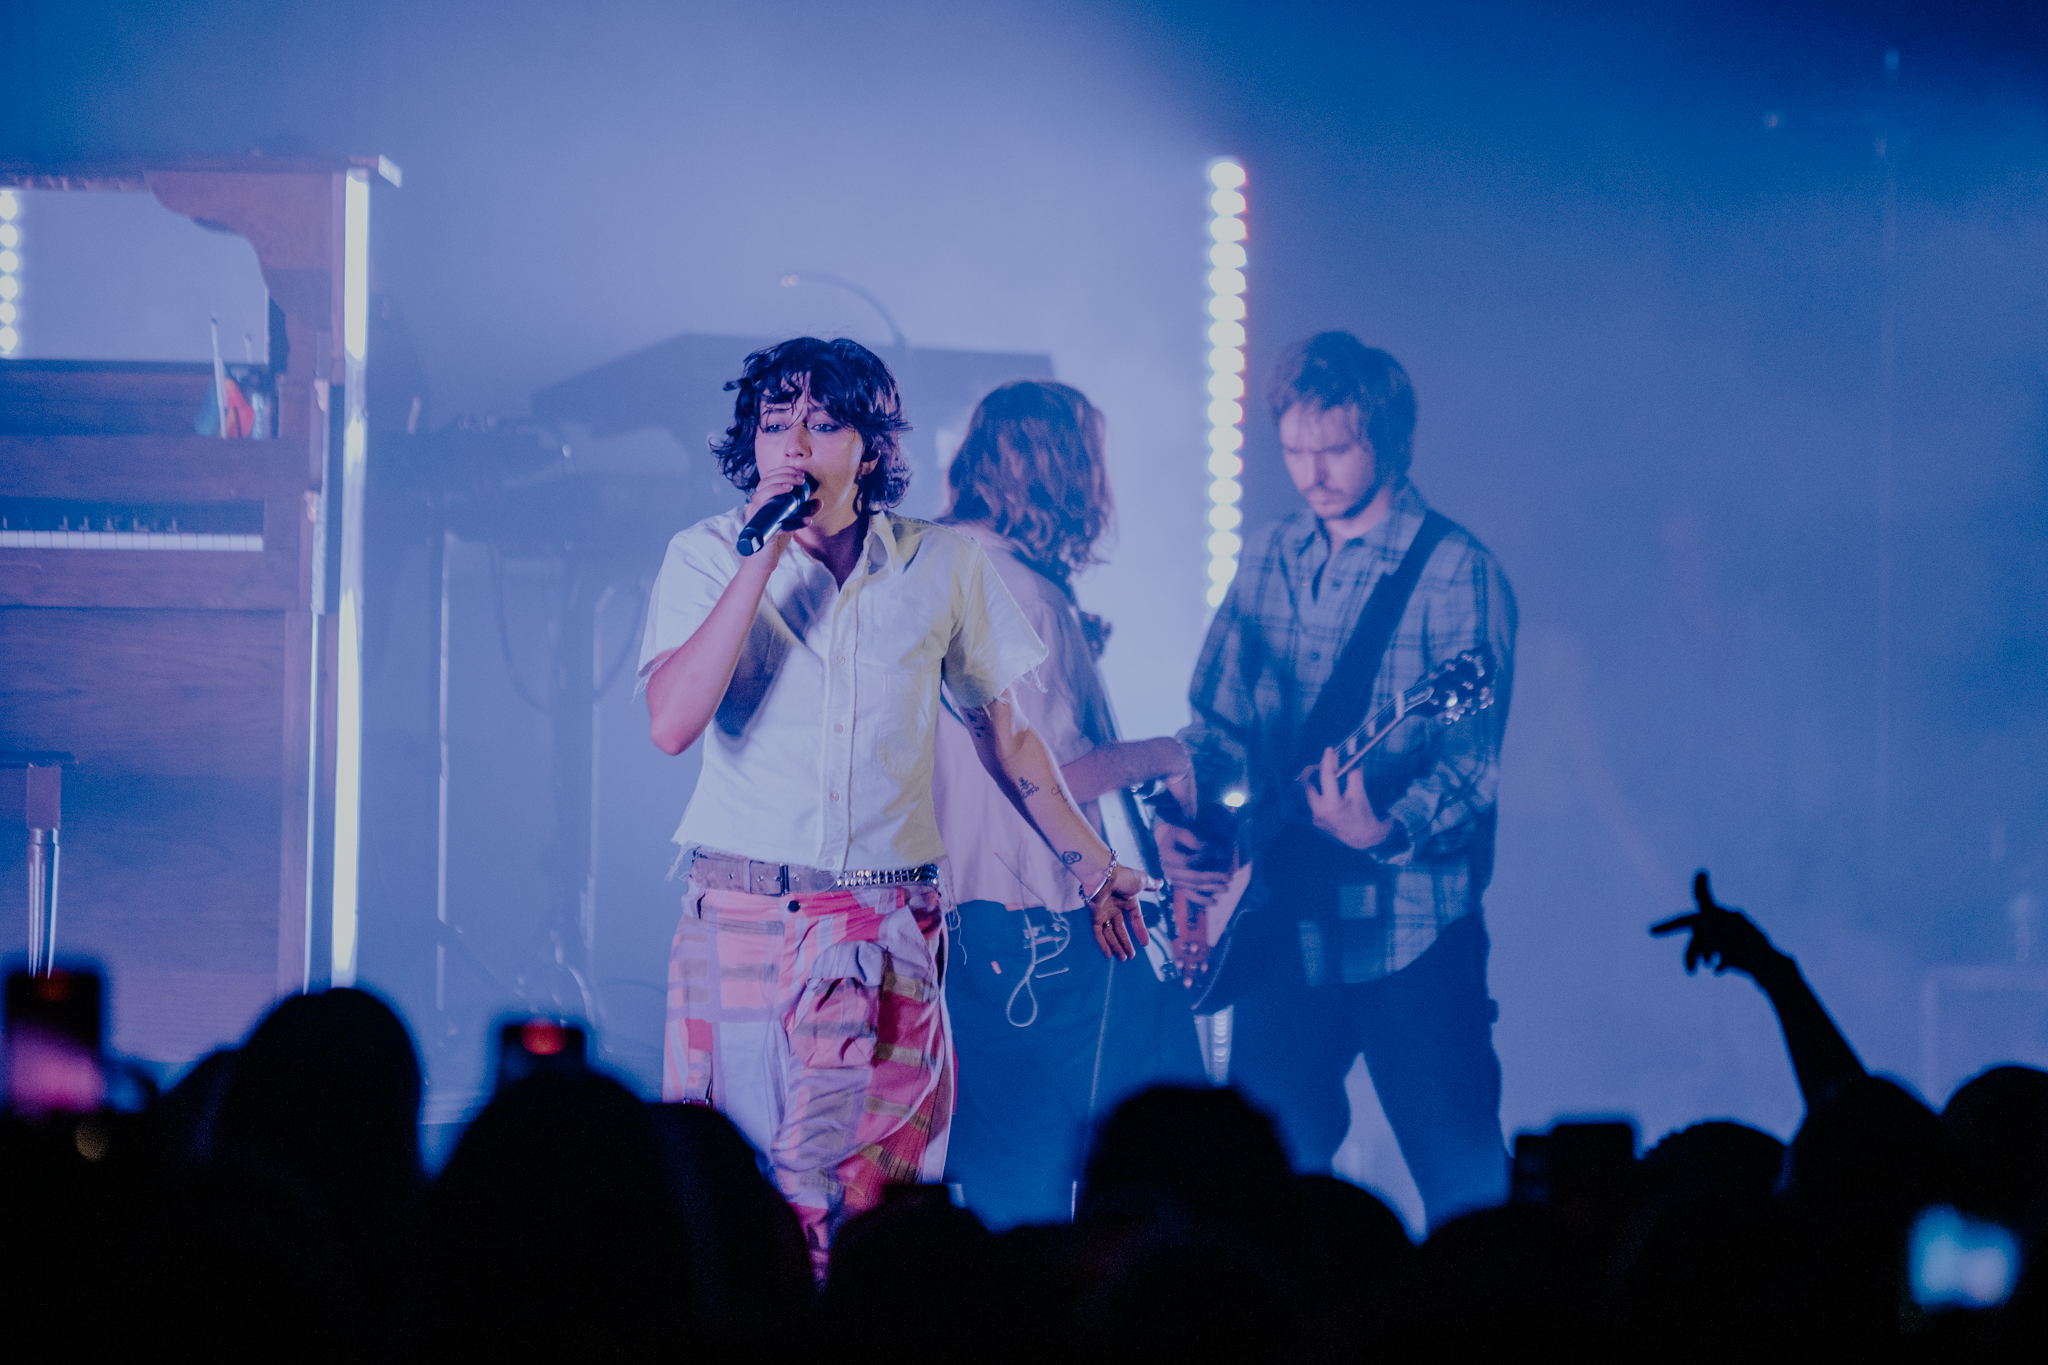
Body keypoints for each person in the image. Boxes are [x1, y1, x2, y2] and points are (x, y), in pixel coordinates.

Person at [638, 338, 1146, 1272]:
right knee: (734, 1205)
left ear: (869, 446)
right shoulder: (706, 555)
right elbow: (671, 721)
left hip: (882, 924)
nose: (794, 444)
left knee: (858, 1206)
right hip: (740, 920)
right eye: (775, 422)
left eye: (822, 422)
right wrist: (759, 560)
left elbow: (1010, 739)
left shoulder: (941, 564)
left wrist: (1093, 863)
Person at [1160, 331, 1516, 1228]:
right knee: (1253, 1192)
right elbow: (1216, 721)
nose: (1312, 472)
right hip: (1279, 920)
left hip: (1409, 935)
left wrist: (1383, 830)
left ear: (1388, 440)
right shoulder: (1268, 554)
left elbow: (1470, 769)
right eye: (1294, 449)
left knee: (1466, 1185)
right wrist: (1190, 815)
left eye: (1336, 448)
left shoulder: (1456, 572)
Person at [930, 381, 1208, 1227]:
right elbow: (1058, 774)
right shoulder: (1031, 595)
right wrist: (1166, 754)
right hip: (1048, 927)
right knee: (1170, 1155)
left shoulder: (928, 572)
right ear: (1067, 475)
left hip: (958, 933)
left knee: (1011, 1190)